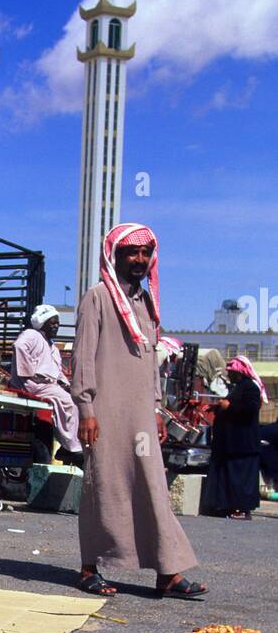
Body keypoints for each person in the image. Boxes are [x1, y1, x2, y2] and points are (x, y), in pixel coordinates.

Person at [71, 222, 207, 599]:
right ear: (115, 256)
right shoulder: (97, 298)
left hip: (142, 417)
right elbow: (82, 358)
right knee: (103, 486)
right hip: (104, 413)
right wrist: (86, 408)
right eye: (132, 252)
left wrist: (157, 410)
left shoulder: (146, 303)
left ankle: (167, 572)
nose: (140, 259)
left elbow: (151, 362)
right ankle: (88, 568)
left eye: (145, 253)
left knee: (153, 488)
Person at [12, 304, 82, 462]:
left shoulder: (53, 347)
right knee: (67, 401)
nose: (56, 326)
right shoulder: (31, 335)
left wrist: (66, 384)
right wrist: (28, 372)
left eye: (58, 324)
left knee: (76, 399)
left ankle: (70, 443)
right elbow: (19, 346)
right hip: (32, 384)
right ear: (42, 323)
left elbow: (56, 371)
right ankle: (70, 446)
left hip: (47, 385)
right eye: (53, 323)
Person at [202, 357, 265, 519]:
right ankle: (225, 507)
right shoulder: (238, 387)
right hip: (232, 445)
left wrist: (229, 406)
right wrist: (217, 407)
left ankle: (242, 509)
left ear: (239, 372)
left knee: (241, 480)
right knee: (229, 477)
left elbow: (250, 408)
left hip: (243, 445)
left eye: (231, 372)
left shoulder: (250, 387)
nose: (229, 375)